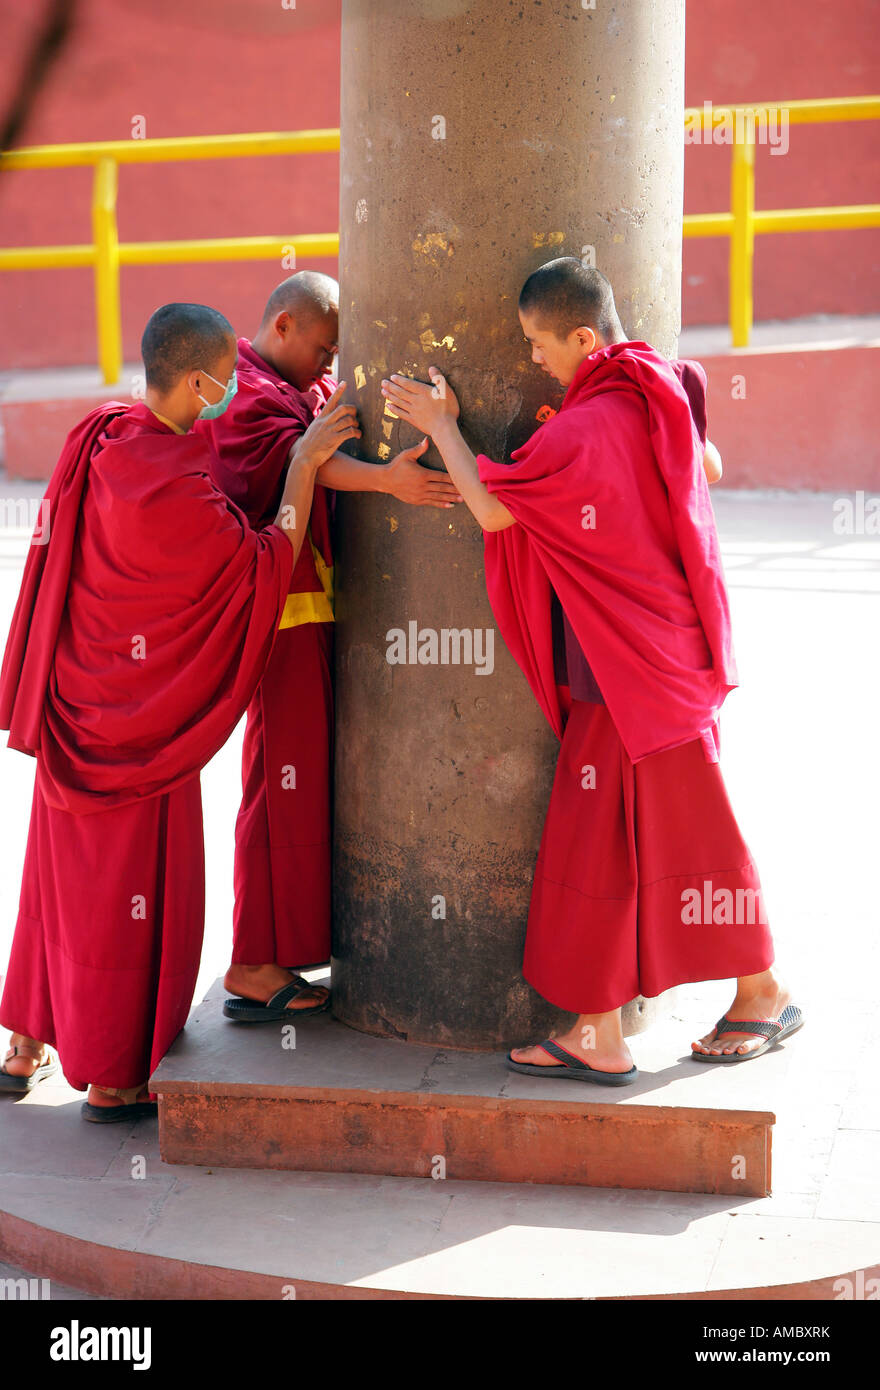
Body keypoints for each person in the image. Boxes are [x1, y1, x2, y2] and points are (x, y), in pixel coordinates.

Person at [381, 259, 802, 1084]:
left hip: (639, 674)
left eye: (539, 343)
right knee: (601, 841)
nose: (533, 357)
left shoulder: (584, 429)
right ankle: (599, 1031)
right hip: (641, 664)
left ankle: (761, 991)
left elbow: (495, 508)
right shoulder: (654, 386)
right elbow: (704, 469)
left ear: (581, 336)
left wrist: (442, 427)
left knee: (694, 837)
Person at [0, 302, 358, 1119]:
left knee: (57, 879)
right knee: (122, 892)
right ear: (200, 382)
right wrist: (301, 466)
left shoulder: (99, 435)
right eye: (227, 377)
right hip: (139, 729)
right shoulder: (178, 490)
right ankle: (115, 1073)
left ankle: (25, 1043)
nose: (235, 387)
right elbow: (265, 564)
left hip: (75, 700)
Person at [201, 272, 461, 1022]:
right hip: (280, 614)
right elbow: (298, 464)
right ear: (282, 327)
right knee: (276, 785)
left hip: (310, 605)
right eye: (322, 349)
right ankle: (252, 963)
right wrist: (386, 481)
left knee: (299, 783)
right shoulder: (246, 394)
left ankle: (273, 952)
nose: (328, 364)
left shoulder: (291, 386)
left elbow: (315, 442)